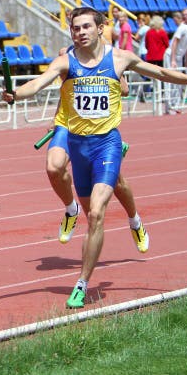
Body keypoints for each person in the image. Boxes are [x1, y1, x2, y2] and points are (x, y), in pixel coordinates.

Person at [2, 7, 187, 309]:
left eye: (86, 27)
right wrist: (15, 94)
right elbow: (37, 84)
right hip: (78, 146)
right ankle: (102, 215)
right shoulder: (65, 61)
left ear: (100, 28)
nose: (80, 32)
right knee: (92, 213)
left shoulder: (120, 59)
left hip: (107, 144)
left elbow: (161, 72)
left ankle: (81, 282)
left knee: (99, 214)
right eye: (75, 28)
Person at [47, 47, 147, 254]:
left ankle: (135, 221)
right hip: (68, 125)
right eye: (77, 27)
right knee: (54, 168)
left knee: (117, 183)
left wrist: (103, 76)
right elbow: (67, 91)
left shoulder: (110, 57)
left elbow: (125, 91)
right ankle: (70, 209)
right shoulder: (65, 56)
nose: (81, 33)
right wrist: (56, 117)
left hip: (99, 130)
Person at [163, 9, 187, 114]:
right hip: (171, 56)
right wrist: (173, 59)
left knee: (178, 81)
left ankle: (176, 105)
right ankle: (170, 106)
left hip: (179, 58)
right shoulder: (183, 27)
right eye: (184, 14)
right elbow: (175, 41)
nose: (185, 16)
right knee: (171, 80)